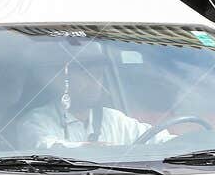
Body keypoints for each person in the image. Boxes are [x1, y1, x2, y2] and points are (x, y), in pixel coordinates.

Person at [13, 44, 169, 150]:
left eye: (98, 75)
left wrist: (187, 143)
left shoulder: (114, 119)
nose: (95, 82)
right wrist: (92, 151)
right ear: (62, 79)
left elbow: (157, 139)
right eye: (86, 75)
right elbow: (46, 148)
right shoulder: (36, 121)